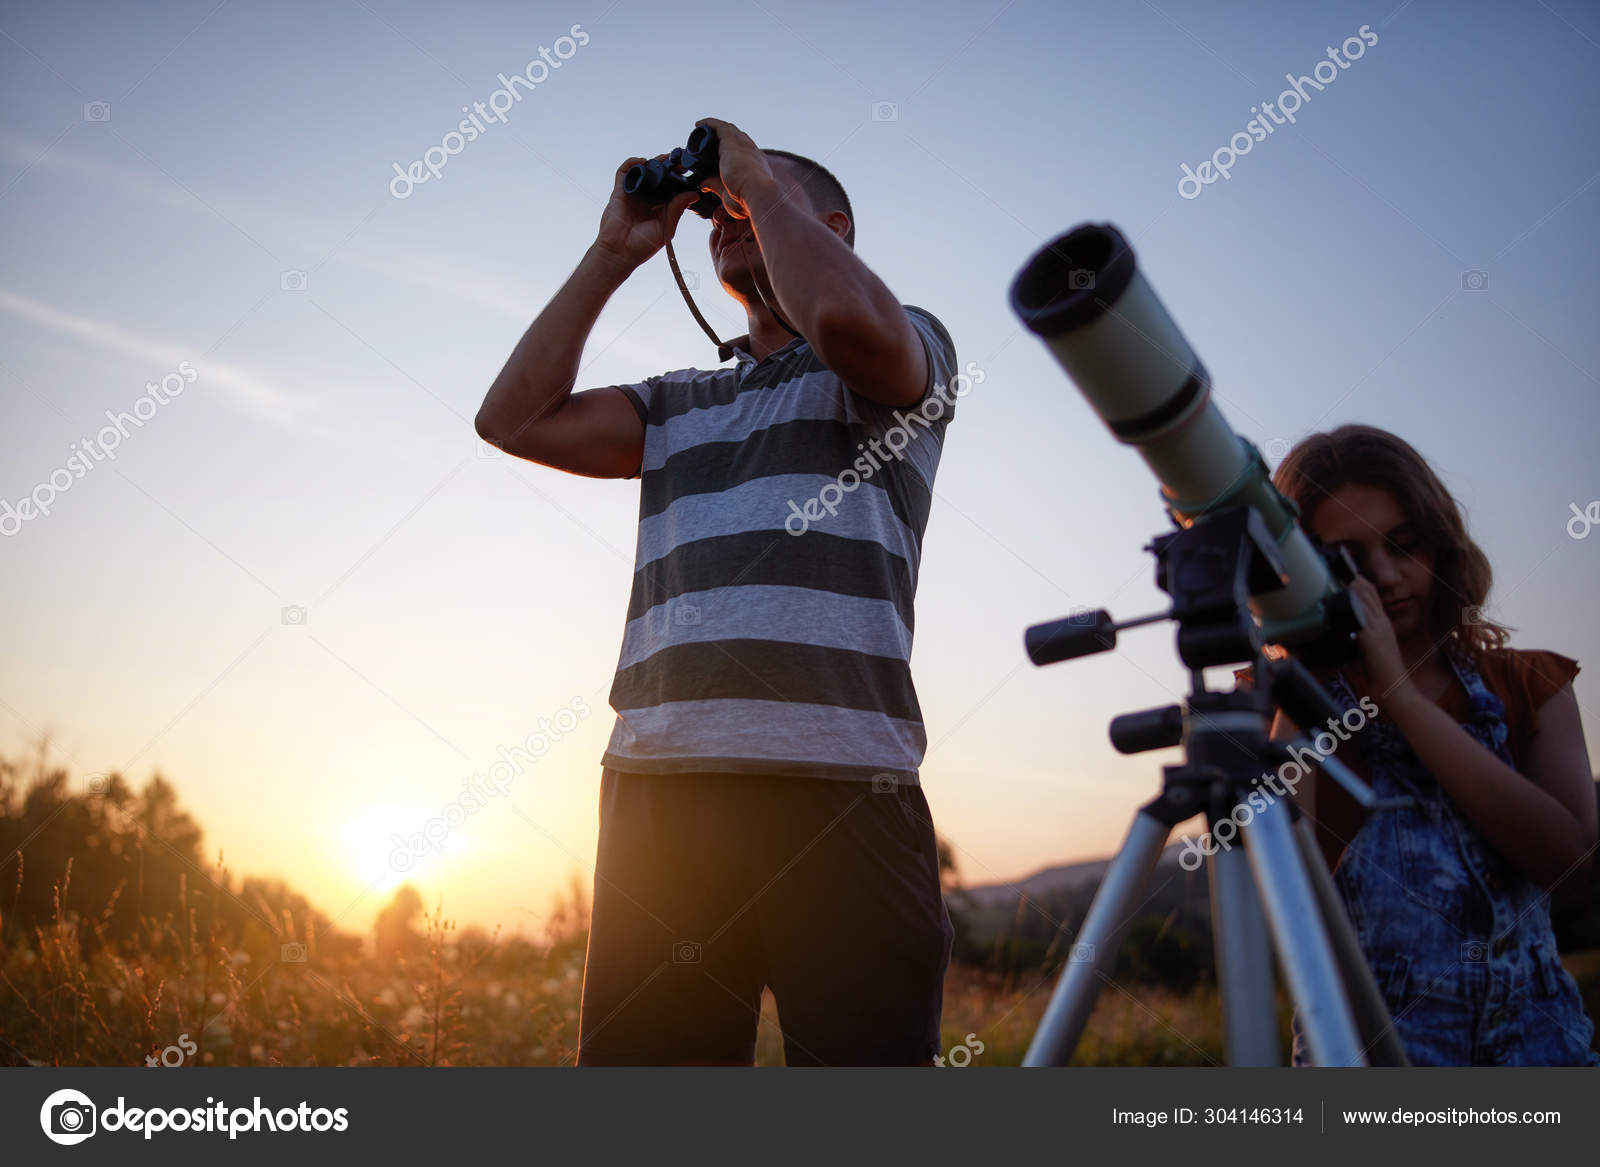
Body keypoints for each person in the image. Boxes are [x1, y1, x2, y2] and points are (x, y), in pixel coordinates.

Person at [475, 118, 959, 1065]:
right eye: (721, 204)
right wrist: (613, 253)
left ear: (831, 225)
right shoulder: (676, 401)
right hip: (663, 798)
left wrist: (756, 183)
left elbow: (852, 325)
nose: (728, 211)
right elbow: (512, 419)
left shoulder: (905, 351)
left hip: (842, 793)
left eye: (755, 194)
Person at [1266, 424, 1598, 1065]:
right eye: (1350, 561)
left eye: (1404, 545)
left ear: (1440, 543)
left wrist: (1404, 699)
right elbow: (1270, 906)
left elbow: (1569, 862)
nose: (1386, 576)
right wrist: (1301, 674)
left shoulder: (1528, 684)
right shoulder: (1282, 708)